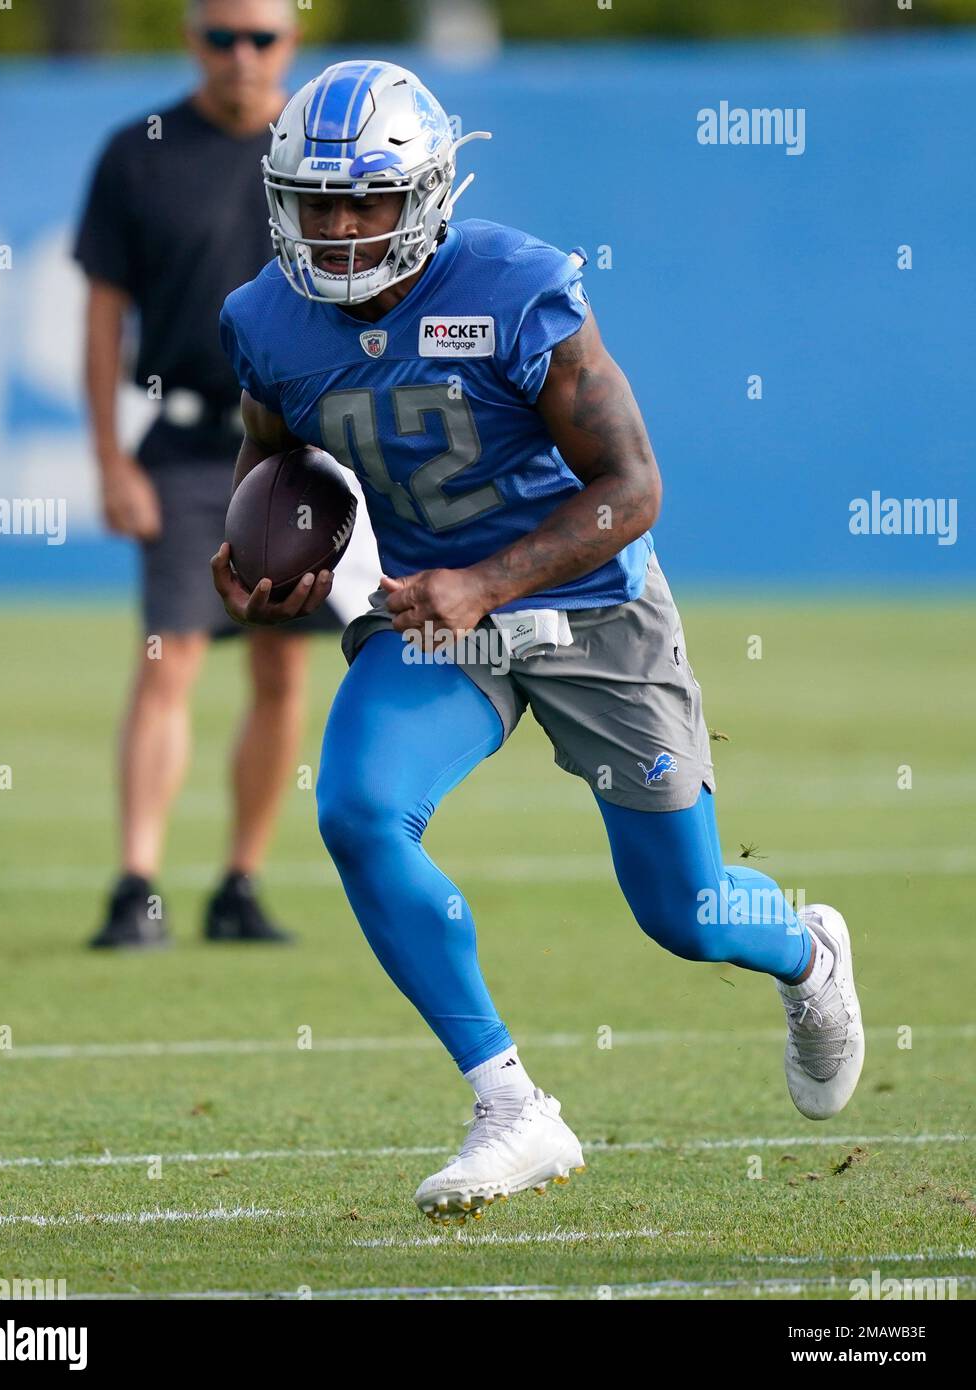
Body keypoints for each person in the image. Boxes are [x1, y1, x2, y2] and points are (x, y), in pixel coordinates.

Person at [213, 60, 865, 1222]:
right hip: (433, 612)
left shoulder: (517, 288)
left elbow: (631, 485)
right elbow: (282, 463)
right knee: (356, 809)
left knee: (686, 913)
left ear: (427, 193)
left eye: (367, 200)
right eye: (319, 202)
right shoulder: (266, 320)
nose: (343, 227)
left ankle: (807, 955)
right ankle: (510, 1104)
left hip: (589, 606)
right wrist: (269, 561)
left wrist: (488, 579)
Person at [73, 2, 377, 949]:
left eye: (262, 37)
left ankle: (239, 884)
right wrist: (110, 456)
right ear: (190, 37)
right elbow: (102, 317)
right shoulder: (140, 152)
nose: (241, 57)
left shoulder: (329, 154)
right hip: (191, 439)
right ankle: (138, 884)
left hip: (307, 448)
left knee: (286, 669)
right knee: (171, 657)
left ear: (293, 39)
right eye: (221, 36)